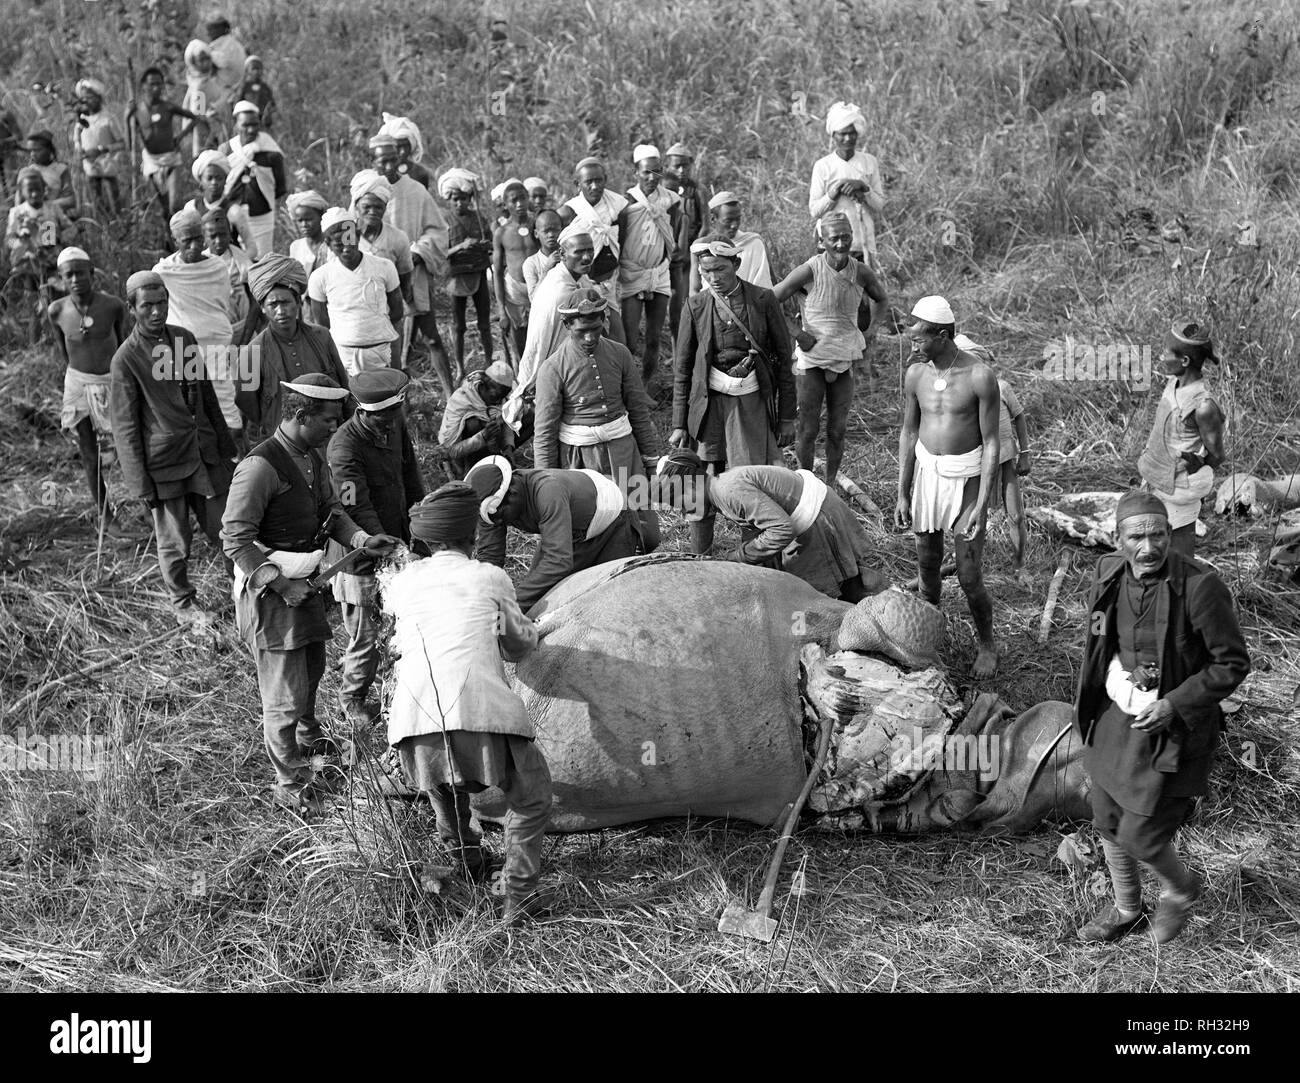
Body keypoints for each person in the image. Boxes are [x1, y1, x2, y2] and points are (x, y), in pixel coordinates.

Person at [1074, 490, 1250, 945]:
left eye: (1158, 535)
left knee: (1142, 833)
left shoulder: (1199, 586)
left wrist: (1174, 703)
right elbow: (1098, 631)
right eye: (1137, 537)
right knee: (1107, 816)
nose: (1148, 548)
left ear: (1170, 535)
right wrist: (1109, 671)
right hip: (1119, 716)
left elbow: (1230, 663)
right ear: (1118, 539)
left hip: (1174, 728)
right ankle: (1127, 907)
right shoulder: (1107, 574)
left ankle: (1181, 888)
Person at [221, 373, 399, 814]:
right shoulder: (260, 468)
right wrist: (281, 584)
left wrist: (360, 540)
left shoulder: (311, 458)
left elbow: (331, 512)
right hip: (272, 598)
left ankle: (308, 741)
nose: (333, 429)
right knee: (283, 696)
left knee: (312, 669)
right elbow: (235, 540)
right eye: (327, 421)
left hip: (308, 587)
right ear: (300, 416)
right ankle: (291, 785)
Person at [384, 483, 556, 925]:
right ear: (473, 535)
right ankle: (517, 899)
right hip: (479, 710)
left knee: (444, 792)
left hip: (412, 717)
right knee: (532, 796)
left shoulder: (402, 583)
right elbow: (517, 645)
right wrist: (538, 629)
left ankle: (468, 864)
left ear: (426, 539)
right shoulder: (489, 576)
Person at [109, 271, 236, 622]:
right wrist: (140, 483)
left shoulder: (184, 339)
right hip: (164, 464)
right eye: (146, 305)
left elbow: (207, 395)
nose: (155, 312)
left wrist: (225, 447)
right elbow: (125, 427)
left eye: (161, 303)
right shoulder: (126, 359)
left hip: (204, 453)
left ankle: (242, 587)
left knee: (228, 528)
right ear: (131, 309)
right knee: (175, 541)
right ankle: (183, 604)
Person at [895, 296, 1000, 679]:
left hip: (967, 480)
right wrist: (903, 491)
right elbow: (908, 431)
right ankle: (930, 632)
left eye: (920, 339)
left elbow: (991, 442)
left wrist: (982, 503)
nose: (914, 346)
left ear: (943, 334)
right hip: (927, 477)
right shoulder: (917, 376)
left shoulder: (979, 376)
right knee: (927, 563)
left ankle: (987, 644)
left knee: (970, 576)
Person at [670, 235, 796, 554]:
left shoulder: (763, 300)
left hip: (750, 403)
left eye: (720, 270)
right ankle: (700, 557)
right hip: (708, 405)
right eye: (706, 271)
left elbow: (783, 360)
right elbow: (683, 367)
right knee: (701, 479)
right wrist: (679, 424)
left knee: (747, 481)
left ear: (737, 265)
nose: (713, 277)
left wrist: (786, 419)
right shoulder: (696, 305)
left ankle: (752, 558)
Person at [326, 368, 425, 725]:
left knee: (399, 625)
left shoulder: (393, 424)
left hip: (397, 539)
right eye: (383, 418)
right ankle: (352, 700)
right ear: (365, 412)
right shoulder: (344, 447)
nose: (392, 423)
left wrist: (421, 522)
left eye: (395, 415)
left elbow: (410, 474)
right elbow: (354, 508)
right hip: (361, 558)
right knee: (365, 637)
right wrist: (391, 550)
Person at [657, 450, 887, 600]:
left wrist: (738, 557)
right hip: (811, 516)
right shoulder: (718, 490)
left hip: (818, 519)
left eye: (678, 501)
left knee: (829, 594)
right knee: (839, 586)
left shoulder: (728, 491)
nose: (682, 510)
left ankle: (878, 613)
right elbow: (760, 527)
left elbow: (781, 529)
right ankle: (874, 600)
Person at [533, 286, 661, 551]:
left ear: (605, 320)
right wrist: (544, 486)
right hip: (580, 461)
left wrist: (650, 461)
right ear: (567, 325)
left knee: (648, 535)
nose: (590, 337)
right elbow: (544, 434)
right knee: (592, 535)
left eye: (596, 327)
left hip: (625, 453)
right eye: (581, 331)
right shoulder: (552, 369)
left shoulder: (620, 354)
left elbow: (638, 410)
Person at [772, 211, 888, 486]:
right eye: (834, 238)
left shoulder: (859, 271)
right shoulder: (810, 269)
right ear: (821, 241)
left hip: (844, 358)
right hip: (811, 360)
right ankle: (808, 483)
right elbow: (770, 299)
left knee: (837, 429)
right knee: (808, 427)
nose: (841, 243)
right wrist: (798, 333)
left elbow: (881, 300)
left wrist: (870, 331)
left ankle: (831, 483)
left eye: (846, 237)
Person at [466, 456, 645, 611]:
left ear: (512, 493)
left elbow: (558, 560)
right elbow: (491, 556)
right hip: (569, 530)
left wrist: (511, 606)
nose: (496, 523)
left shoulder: (548, 492)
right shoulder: (492, 508)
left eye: (499, 516)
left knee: (607, 597)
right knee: (538, 597)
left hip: (614, 519)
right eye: (490, 519)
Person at [48, 247, 135, 539]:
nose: (75, 279)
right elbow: (65, 353)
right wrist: (81, 382)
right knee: (90, 452)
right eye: (68, 274)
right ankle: (106, 516)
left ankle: (150, 508)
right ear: (61, 278)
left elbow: (124, 345)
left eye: (80, 272)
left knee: (130, 444)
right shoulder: (57, 310)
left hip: (112, 380)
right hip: (78, 383)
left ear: (92, 273)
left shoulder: (111, 306)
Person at [1137, 319, 1228, 557]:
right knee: (1154, 545)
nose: (1161, 357)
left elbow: (1217, 454)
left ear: (1184, 361)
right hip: (1156, 479)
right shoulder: (1173, 383)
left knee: (1179, 555)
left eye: (1166, 353)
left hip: (1179, 488)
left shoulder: (1204, 407)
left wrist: (1195, 468)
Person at [238, 253, 352, 441]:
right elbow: (248, 408)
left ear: (298, 302)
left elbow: (343, 386)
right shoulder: (251, 353)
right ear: (262, 308)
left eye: (286, 302)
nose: (280, 311)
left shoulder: (321, 336)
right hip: (282, 443)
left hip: (328, 439)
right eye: (273, 305)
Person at [369, 133, 451, 383]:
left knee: (431, 336)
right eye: (383, 161)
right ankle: (390, 396)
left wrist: (419, 252)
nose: (390, 166)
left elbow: (438, 229)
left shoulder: (415, 190)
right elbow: (351, 230)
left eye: (394, 160)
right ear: (373, 162)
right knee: (381, 338)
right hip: (377, 274)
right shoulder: (366, 190)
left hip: (413, 271)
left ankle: (450, 395)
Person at [153, 207, 242, 437]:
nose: (194, 246)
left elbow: (221, 304)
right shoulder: (163, 272)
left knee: (228, 412)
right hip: (182, 351)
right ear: (174, 240)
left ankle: (234, 463)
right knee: (186, 409)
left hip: (217, 348)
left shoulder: (217, 266)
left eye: (198, 239)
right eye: (187, 241)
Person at [503, 224, 597, 430]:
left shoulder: (569, 278)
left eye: (590, 250)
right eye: (579, 252)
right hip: (556, 369)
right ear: (562, 254)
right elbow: (546, 341)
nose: (587, 257)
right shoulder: (561, 292)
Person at [808, 100, 886, 338]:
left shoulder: (868, 162)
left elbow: (879, 205)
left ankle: (861, 342)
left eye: (852, 133)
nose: (848, 139)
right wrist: (834, 193)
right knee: (831, 292)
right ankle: (830, 340)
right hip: (832, 242)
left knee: (861, 295)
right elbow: (815, 210)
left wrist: (862, 189)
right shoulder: (824, 166)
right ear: (833, 135)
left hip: (860, 240)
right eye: (842, 134)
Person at [954, 334, 1030, 574]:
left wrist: (1025, 453)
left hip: (1006, 457)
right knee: (976, 515)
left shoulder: (1001, 387)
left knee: (1016, 515)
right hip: (979, 463)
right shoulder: (960, 395)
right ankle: (972, 567)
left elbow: (1019, 417)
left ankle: (1019, 565)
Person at [439, 361, 517, 566]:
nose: (499, 400)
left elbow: (507, 422)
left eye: (503, 396)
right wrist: (480, 437)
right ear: (483, 386)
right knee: (475, 423)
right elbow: (448, 449)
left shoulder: (498, 401)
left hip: (493, 456)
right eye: (496, 395)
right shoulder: (462, 400)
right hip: (465, 460)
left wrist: (508, 447)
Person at [308, 208, 403, 374]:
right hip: (344, 354)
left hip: (383, 349)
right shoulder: (320, 277)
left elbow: (397, 311)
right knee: (351, 398)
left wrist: (375, 334)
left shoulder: (384, 266)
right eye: (338, 244)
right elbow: (322, 323)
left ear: (358, 237)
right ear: (328, 244)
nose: (346, 249)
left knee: (392, 396)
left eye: (350, 240)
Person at [618, 145, 681, 385]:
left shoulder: (670, 200)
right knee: (630, 340)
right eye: (646, 172)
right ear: (636, 173)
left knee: (654, 338)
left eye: (657, 172)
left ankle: (644, 385)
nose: (652, 177)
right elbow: (620, 240)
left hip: (660, 272)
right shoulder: (625, 203)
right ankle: (627, 387)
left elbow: (672, 235)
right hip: (633, 273)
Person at [557, 156, 627, 344]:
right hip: (581, 287)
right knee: (589, 338)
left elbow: (622, 241)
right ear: (577, 184)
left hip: (608, 284)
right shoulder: (569, 212)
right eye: (589, 181)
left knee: (619, 341)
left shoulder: (617, 207)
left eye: (599, 180)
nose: (595, 186)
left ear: (605, 179)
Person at [439, 167, 495, 372]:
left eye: (463, 198)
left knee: (484, 324)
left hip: (479, 273)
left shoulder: (478, 217)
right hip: (456, 277)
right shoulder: (443, 220)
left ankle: (490, 362)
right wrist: (460, 247)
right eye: (455, 199)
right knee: (458, 325)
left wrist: (483, 245)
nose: (459, 203)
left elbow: (491, 244)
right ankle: (460, 368)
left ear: (470, 198)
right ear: (449, 199)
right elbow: (439, 252)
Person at [128, 67, 197, 216]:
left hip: (171, 159)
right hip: (151, 162)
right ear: (143, 86)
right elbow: (130, 139)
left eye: (160, 84)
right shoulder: (137, 110)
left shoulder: (167, 107)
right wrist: (128, 115)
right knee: (163, 208)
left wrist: (180, 136)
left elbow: (194, 117)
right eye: (152, 84)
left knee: (175, 205)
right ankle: (170, 236)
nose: (157, 88)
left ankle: (178, 234)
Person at [220, 102, 286, 259]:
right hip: (231, 213)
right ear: (236, 124)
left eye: (255, 124)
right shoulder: (226, 149)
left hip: (261, 216)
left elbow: (280, 188)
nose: (251, 130)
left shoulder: (271, 151)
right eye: (245, 125)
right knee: (232, 259)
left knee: (261, 260)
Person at [689, 191, 772, 290]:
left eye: (738, 219)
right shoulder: (700, 246)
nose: (734, 225)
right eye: (728, 220)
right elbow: (694, 288)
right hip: (710, 304)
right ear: (713, 218)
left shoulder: (754, 242)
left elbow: (766, 282)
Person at [350, 170, 413, 300]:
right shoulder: (345, 235)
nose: (372, 212)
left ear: (385, 208)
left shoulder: (398, 238)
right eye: (366, 206)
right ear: (356, 206)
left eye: (378, 207)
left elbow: (405, 278)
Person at [493, 178, 538, 361]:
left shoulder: (537, 225)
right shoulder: (502, 233)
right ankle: (525, 380)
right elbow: (497, 272)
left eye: (522, 198)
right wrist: (502, 310)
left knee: (544, 334)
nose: (519, 204)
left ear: (528, 198)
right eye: (514, 200)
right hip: (515, 291)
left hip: (539, 288)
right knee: (520, 340)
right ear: (506, 204)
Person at [662, 141, 704, 334]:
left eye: (685, 165)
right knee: (670, 304)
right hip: (665, 255)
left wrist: (691, 250)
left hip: (689, 255)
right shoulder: (662, 190)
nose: (681, 170)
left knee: (685, 301)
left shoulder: (696, 191)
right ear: (667, 167)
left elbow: (705, 225)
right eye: (676, 166)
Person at [5, 168, 77, 280]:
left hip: (52, 256)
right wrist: (20, 242)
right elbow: (9, 239)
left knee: (54, 285)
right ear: (22, 192)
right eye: (30, 190)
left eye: (38, 189)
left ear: (44, 189)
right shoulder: (16, 212)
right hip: (27, 259)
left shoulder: (53, 208)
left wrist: (59, 238)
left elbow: (71, 229)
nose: (35, 194)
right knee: (32, 287)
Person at [202, 207, 254, 343]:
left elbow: (255, 299)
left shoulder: (241, 260)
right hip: (212, 333)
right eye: (213, 236)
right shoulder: (200, 264)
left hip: (243, 328)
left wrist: (246, 334)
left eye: (223, 234)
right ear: (204, 238)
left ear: (230, 235)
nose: (218, 241)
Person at [74, 79, 124, 218]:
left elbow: (121, 143)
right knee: (96, 201)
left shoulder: (108, 118)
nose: (87, 101)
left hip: (108, 167)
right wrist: (80, 150)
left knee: (114, 201)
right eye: (84, 98)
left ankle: (119, 224)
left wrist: (103, 149)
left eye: (91, 97)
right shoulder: (81, 120)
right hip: (90, 168)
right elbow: (77, 140)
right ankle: (104, 227)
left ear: (99, 98)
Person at [185, 149, 250, 249]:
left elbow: (251, 248)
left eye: (219, 178)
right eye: (209, 178)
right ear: (201, 181)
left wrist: (239, 261)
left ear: (225, 180)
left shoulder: (234, 211)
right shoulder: (191, 208)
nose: (214, 182)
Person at [182, 39, 228, 155]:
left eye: (207, 58)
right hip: (206, 138)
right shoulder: (199, 86)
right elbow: (198, 116)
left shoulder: (209, 81)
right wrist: (210, 137)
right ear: (193, 63)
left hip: (216, 133)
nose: (206, 63)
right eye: (201, 60)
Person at [21, 130, 77, 217]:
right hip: (32, 219)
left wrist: (45, 206)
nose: (32, 154)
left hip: (55, 216)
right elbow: (19, 202)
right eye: (30, 151)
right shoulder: (28, 172)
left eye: (37, 150)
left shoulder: (61, 169)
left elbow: (70, 200)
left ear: (49, 149)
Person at [378, 113, 430, 189]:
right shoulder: (379, 174)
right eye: (398, 147)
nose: (402, 151)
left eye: (406, 146)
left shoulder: (420, 173)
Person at [287, 190, 330, 276]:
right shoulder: (296, 247)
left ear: (321, 217)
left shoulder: (331, 245)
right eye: (300, 220)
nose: (304, 225)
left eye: (309, 219)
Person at [204, 11, 247, 97]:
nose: (207, 33)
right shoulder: (233, 43)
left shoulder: (226, 46)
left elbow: (221, 62)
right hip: (236, 90)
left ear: (221, 28)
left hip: (225, 92)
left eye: (210, 29)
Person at [523, 208, 562, 300]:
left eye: (555, 230)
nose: (551, 235)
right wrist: (547, 269)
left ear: (562, 230)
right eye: (546, 231)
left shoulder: (569, 257)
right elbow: (533, 298)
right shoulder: (531, 263)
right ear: (536, 234)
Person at [238, 56, 275, 129]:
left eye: (258, 69)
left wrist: (269, 113)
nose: (256, 71)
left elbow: (272, 103)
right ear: (247, 71)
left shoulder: (265, 87)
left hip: (263, 121)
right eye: (253, 69)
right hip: (248, 119)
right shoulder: (245, 87)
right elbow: (239, 102)